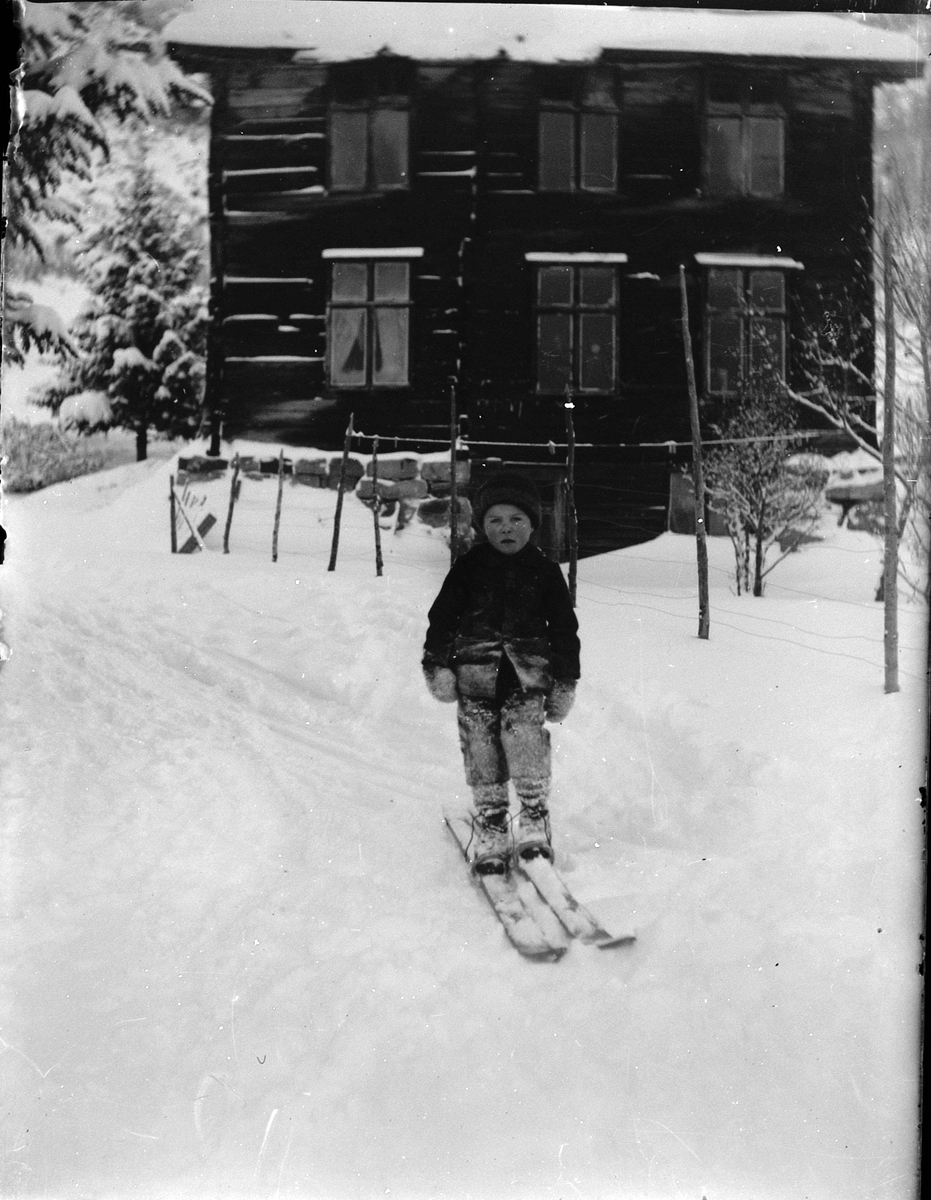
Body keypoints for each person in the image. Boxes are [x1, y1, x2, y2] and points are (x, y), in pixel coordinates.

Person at [422, 472, 580, 874]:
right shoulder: (468, 567)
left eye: (516, 520)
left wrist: (565, 681)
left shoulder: (545, 571)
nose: (506, 528)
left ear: (531, 524)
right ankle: (491, 821)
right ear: (482, 526)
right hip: (475, 678)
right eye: (495, 520)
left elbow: (564, 630)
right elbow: (442, 619)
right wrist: (436, 664)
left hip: (527, 679)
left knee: (525, 740)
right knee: (480, 745)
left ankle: (533, 817)